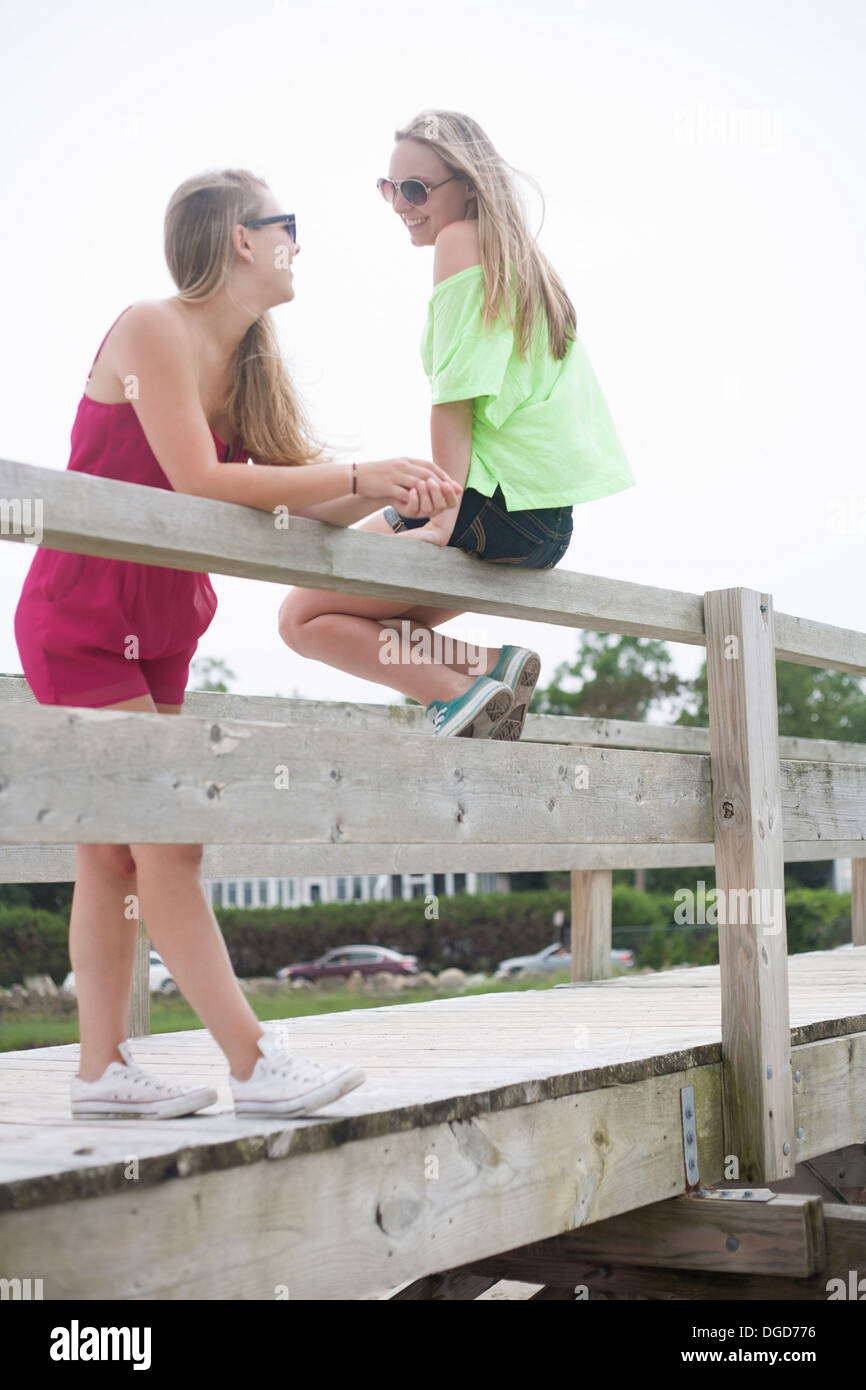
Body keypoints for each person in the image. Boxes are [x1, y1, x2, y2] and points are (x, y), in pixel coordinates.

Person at [13, 167, 462, 1121]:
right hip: (85, 616)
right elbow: (198, 478)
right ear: (237, 239)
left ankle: (100, 1074)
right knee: (170, 846)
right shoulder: (152, 327)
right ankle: (255, 1062)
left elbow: (293, 502)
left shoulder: (249, 362)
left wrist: (392, 490)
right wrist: (352, 470)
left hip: (165, 622)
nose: (298, 240)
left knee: (114, 859)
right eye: (284, 224)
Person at [278, 110, 635, 741]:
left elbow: (456, 395)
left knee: (303, 615)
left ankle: (462, 693)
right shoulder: (510, 260)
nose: (399, 205)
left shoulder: (460, 242)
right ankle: (490, 668)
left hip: (492, 505)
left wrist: (443, 517)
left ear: (467, 186)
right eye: (388, 189)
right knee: (340, 602)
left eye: (414, 190)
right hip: (534, 520)